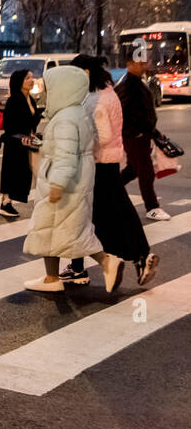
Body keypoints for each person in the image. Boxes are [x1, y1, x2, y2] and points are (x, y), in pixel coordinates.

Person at [23, 64, 125, 293]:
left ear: (62, 89)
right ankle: (52, 277)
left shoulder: (65, 118)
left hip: (65, 184)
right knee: (60, 230)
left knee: (66, 231)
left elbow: (66, 156)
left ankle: (107, 262)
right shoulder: (76, 113)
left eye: (50, 87)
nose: (46, 93)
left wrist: (57, 183)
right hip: (77, 181)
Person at [65, 55, 158, 286]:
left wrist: (79, 140)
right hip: (109, 160)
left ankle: (125, 258)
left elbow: (103, 135)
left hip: (99, 162)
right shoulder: (108, 93)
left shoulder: (96, 99)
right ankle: (129, 257)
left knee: (93, 215)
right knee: (113, 212)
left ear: (85, 73)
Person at [116, 46, 169, 220]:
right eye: (140, 63)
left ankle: (108, 188)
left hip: (142, 134)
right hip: (135, 136)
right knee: (145, 170)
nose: (144, 65)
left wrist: (154, 132)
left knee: (133, 168)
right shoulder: (128, 85)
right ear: (130, 63)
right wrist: (134, 132)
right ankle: (152, 206)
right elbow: (122, 113)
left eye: (145, 62)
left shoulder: (137, 82)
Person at [0, 68, 41, 218]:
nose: (32, 80)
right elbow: (8, 124)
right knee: (12, 171)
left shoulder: (30, 99)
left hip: (26, 141)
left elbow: (32, 120)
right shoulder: (14, 99)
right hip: (14, 142)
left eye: (32, 77)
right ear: (19, 81)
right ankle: (5, 202)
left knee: (22, 172)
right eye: (28, 78)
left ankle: (8, 201)